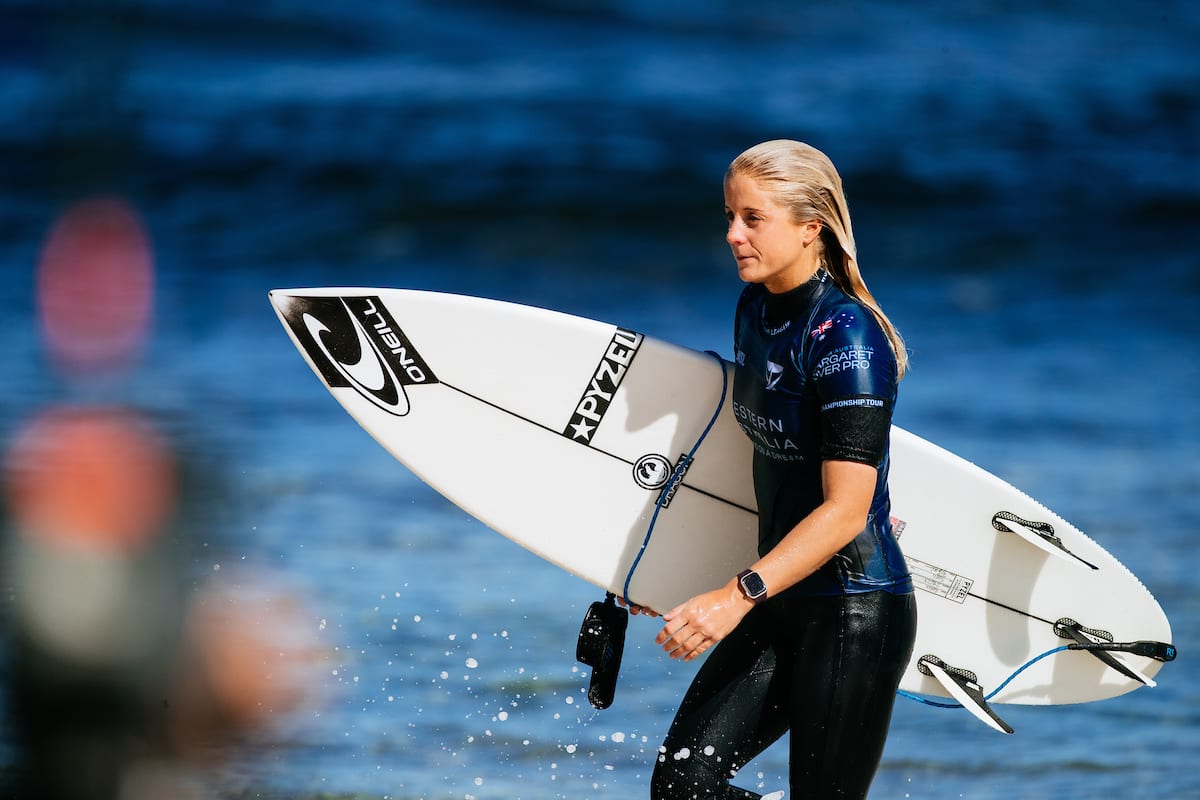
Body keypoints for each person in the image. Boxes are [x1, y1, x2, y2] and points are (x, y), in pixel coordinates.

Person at [644, 140, 917, 799]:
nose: (734, 235)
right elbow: (759, 458)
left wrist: (733, 598)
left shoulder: (846, 336)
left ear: (809, 226)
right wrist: (668, 564)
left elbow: (848, 508)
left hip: (851, 612)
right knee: (681, 786)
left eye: (753, 218)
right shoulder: (758, 310)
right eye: (730, 216)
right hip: (781, 594)